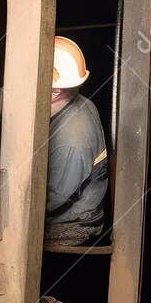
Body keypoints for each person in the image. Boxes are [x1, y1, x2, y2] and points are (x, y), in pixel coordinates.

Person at [45, 36, 109, 245]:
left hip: (72, 226)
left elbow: (50, 199)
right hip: (78, 207)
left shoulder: (71, 139)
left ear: (55, 91)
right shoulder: (81, 102)